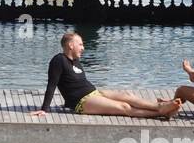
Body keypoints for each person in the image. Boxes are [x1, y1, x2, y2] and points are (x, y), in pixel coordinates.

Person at [33, 32, 181, 119]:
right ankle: (160, 113)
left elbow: (73, 83)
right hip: (82, 103)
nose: (83, 48)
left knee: (127, 95)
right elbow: (52, 85)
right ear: (71, 45)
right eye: (80, 45)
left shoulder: (76, 61)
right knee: (123, 107)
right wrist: (45, 108)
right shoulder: (58, 60)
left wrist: (66, 101)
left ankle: (159, 106)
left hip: (94, 93)